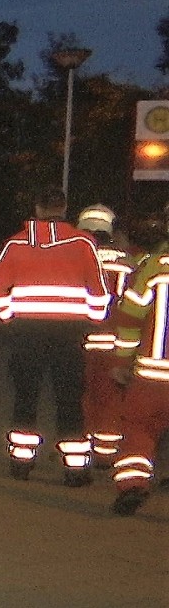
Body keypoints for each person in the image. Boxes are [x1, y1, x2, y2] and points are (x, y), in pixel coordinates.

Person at [0, 186, 109, 483]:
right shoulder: (83, 242)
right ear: (64, 209)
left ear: (37, 209)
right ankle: (74, 469)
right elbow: (100, 292)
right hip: (69, 332)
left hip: (27, 331)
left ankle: (21, 462)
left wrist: (9, 318)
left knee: (25, 397)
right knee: (69, 399)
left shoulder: (15, 244)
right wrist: (91, 320)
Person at [105, 204, 169, 516]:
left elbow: (131, 316)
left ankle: (133, 484)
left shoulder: (155, 267)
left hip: (152, 372)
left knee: (139, 427)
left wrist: (121, 361)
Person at [75, 204, 135, 466]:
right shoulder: (128, 264)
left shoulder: (79, 259)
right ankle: (106, 451)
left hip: (86, 339)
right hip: (117, 341)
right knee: (112, 398)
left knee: (86, 395)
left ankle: (87, 445)